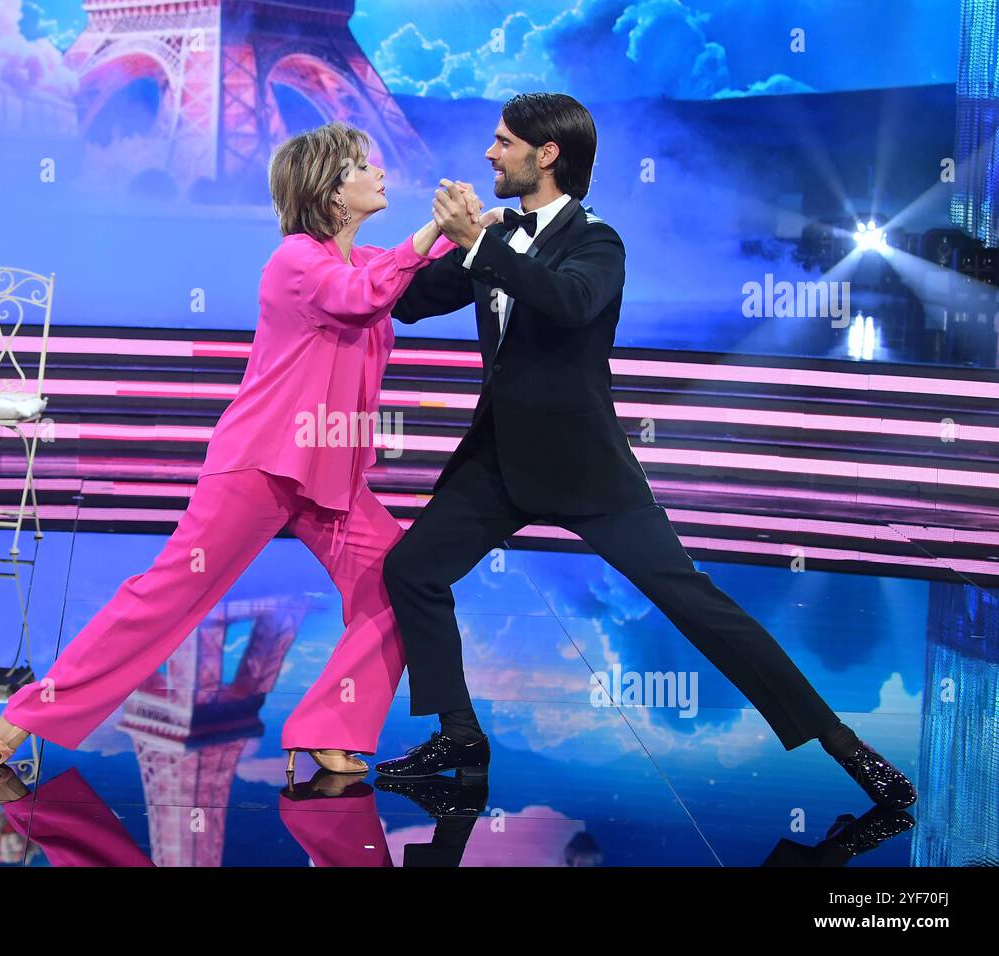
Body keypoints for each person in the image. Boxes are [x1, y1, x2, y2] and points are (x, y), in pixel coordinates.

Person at [373, 92, 917, 811]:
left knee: (694, 603)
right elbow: (409, 304)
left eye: (503, 142)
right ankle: (460, 734)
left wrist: (479, 243)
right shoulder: (498, 235)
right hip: (499, 462)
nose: (488, 152)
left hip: (586, 468)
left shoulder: (598, 242)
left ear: (547, 155)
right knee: (413, 569)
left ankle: (842, 743)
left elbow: (566, 302)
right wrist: (448, 235)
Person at [0, 121, 465, 776]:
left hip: (332, 479)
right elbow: (359, 300)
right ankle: (29, 714)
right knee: (167, 596)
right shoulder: (296, 261)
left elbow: (428, 268)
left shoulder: (367, 257)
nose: (378, 173)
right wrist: (432, 231)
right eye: (360, 167)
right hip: (260, 468)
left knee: (402, 583)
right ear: (328, 192)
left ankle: (329, 725)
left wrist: (497, 225)